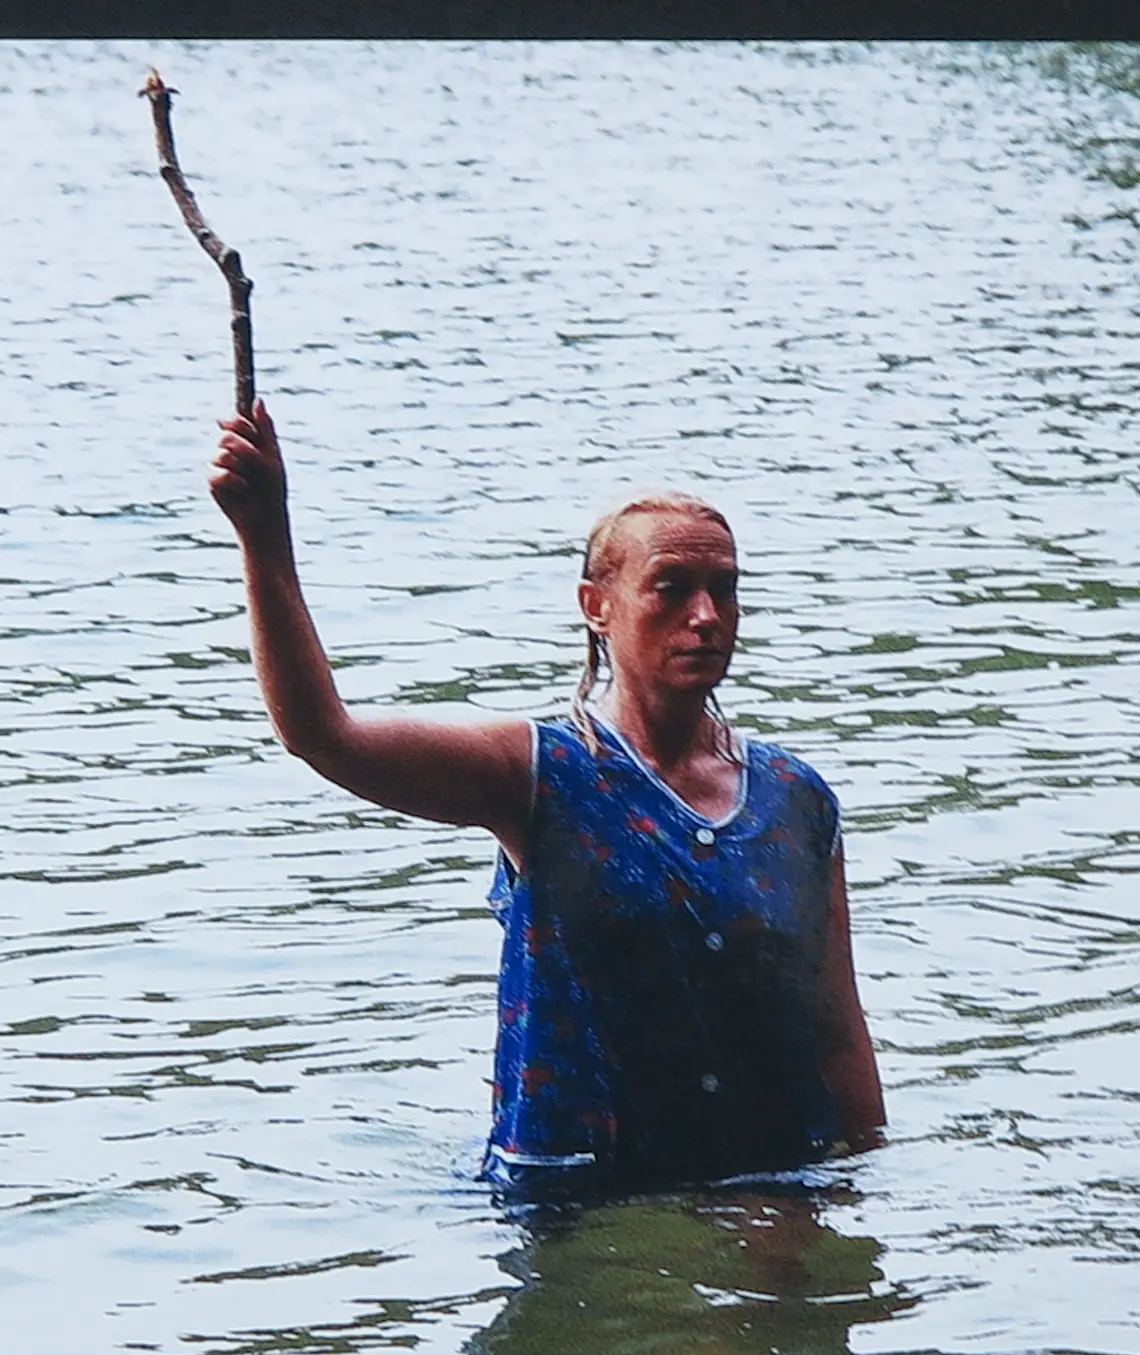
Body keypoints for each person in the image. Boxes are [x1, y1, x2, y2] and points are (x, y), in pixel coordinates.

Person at [209, 400, 884, 1198]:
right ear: (596, 607)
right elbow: (324, 735)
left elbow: (838, 1030)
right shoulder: (539, 774)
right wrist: (265, 537)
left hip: (766, 1186)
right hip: (582, 1199)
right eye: (671, 588)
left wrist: (864, 1195)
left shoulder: (794, 801)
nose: (705, 617)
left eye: (723, 590)